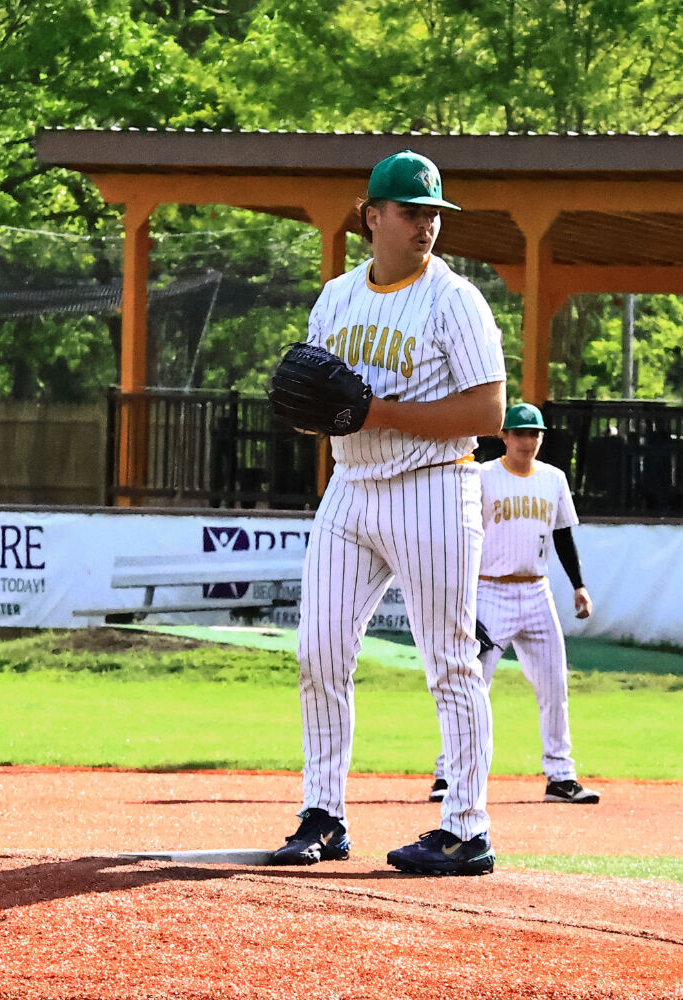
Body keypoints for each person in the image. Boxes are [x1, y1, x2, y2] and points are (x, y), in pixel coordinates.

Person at [271, 149, 507, 876]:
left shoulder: (454, 300)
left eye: (435, 213)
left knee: (448, 661)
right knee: (319, 652)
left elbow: (488, 411)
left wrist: (378, 410)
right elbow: (319, 404)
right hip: (351, 489)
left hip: (433, 486)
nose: (427, 224)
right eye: (412, 211)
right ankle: (324, 814)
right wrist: (316, 417)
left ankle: (466, 828)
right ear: (373, 217)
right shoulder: (337, 298)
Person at [430, 402, 599, 805]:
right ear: (503, 436)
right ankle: (447, 774)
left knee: (554, 686)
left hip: (537, 593)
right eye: (520, 432)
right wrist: (464, 598)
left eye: (535, 433)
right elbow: (461, 535)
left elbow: (562, 535)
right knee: (471, 686)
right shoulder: (483, 477)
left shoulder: (554, 479)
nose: (528, 440)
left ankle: (561, 776)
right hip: (490, 591)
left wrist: (578, 585)